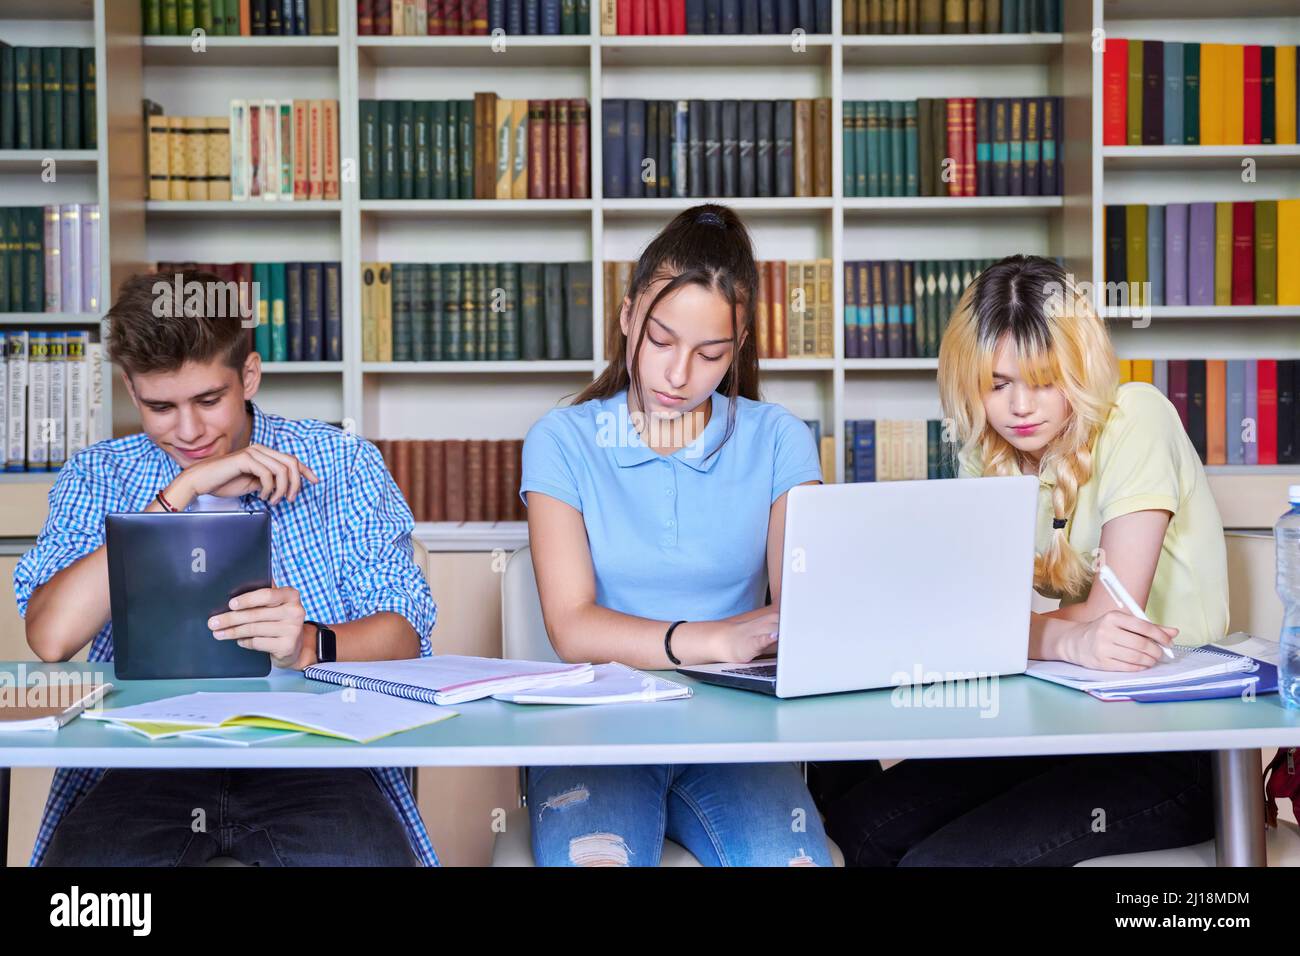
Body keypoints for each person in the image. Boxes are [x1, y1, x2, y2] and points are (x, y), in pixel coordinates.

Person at [16, 270, 439, 866]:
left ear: (249, 376)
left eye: (209, 400)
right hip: (143, 762)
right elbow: (52, 638)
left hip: (314, 758)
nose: (188, 431)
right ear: (130, 390)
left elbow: (406, 637)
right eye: (160, 406)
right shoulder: (100, 473)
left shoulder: (341, 463)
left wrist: (308, 645)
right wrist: (179, 494)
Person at [825, 254, 1227, 866]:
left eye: (1043, 379)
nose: (1020, 407)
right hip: (1064, 722)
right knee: (861, 823)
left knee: (939, 862)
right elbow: (971, 622)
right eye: (998, 384)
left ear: (1081, 366)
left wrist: (1028, 637)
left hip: (1172, 743)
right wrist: (1053, 640)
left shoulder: (1137, 416)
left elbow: (1109, 627)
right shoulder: (990, 453)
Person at [519, 204, 833, 866]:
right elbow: (572, 627)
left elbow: (804, 607)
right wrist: (715, 640)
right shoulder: (563, 440)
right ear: (628, 316)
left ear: (739, 345)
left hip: (736, 735)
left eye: (710, 353)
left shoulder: (778, 439)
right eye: (661, 341)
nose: (679, 375)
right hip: (598, 728)